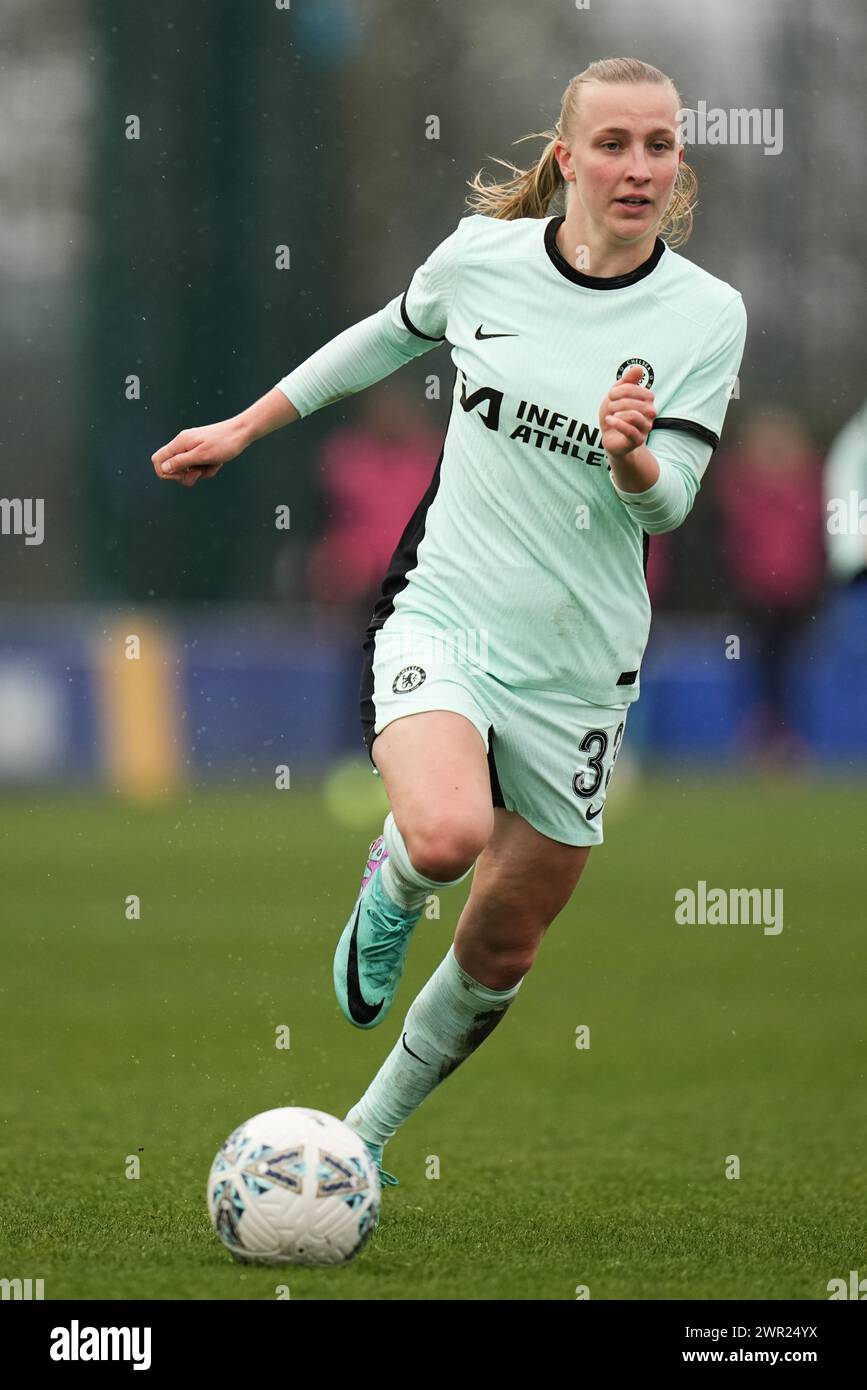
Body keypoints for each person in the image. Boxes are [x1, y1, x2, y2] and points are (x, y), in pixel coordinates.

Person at [151, 57, 747, 1190]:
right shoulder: (483, 261)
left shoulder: (707, 314)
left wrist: (631, 459)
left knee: (507, 940)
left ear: (679, 163)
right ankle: (391, 884)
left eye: (660, 145)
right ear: (566, 157)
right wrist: (244, 425)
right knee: (443, 836)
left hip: (583, 664)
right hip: (447, 614)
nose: (638, 168)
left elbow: (674, 499)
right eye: (613, 143)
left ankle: (360, 1140)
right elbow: (387, 335)